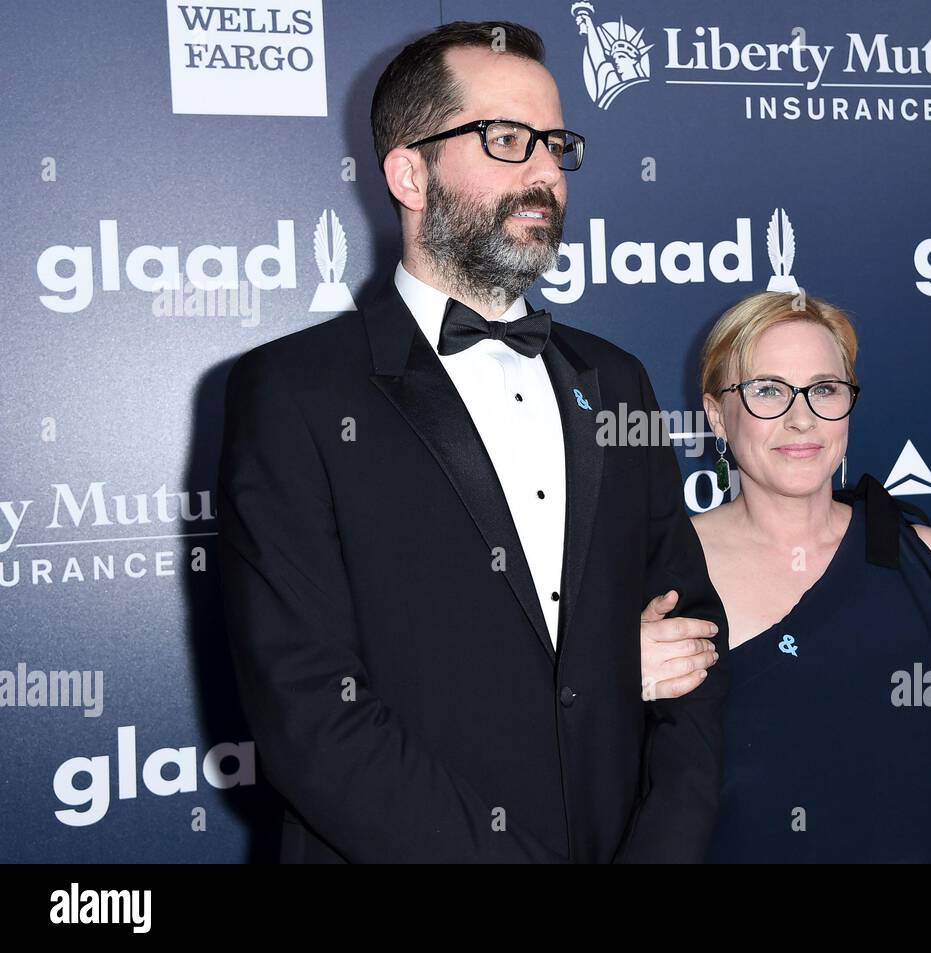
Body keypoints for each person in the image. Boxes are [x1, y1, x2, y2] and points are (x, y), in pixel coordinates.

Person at [217, 20, 725, 863]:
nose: (545, 172)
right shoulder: (294, 394)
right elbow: (311, 714)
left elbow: (693, 643)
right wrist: (608, 669)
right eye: (506, 140)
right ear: (409, 173)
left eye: (556, 144)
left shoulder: (615, 380)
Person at [651, 290, 931, 862]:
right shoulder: (661, 573)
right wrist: (618, 677)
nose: (801, 418)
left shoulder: (925, 561)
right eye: (767, 390)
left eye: (824, 390)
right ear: (717, 414)